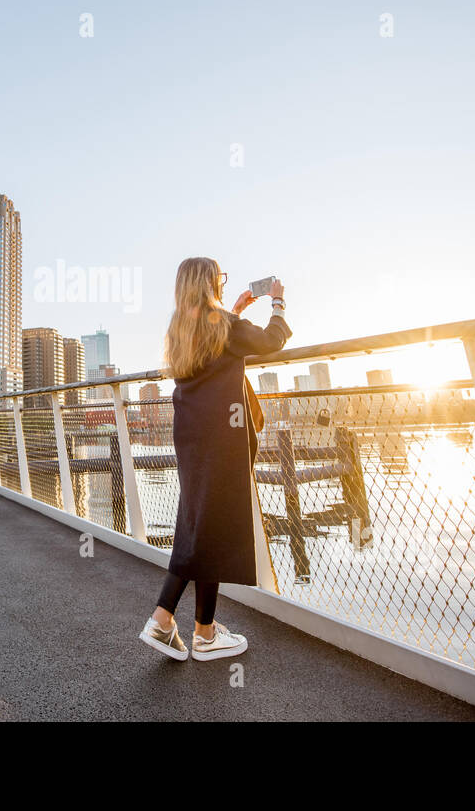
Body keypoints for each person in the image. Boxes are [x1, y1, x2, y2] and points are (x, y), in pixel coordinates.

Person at [139, 257, 290, 661]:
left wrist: (236, 311)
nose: (222, 284)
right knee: (207, 527)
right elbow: (271, 341)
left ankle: (200, 631)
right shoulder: (220, 322)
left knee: (202, 524)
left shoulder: (180, 324)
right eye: (219, 279)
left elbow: (214, 350)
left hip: (191, 438)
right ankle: (163, 620)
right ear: (210, 282)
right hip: (223, 440)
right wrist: (277, 302)